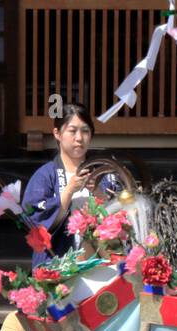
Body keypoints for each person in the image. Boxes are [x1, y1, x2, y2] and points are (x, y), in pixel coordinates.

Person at [20, 102, 118, 267]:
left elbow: (124, 217)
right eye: (72, 131)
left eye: (85, 131)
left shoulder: (104, 174)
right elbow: (34, 221)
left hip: (102, 263)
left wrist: (99, 194)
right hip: (59, 265)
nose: (79, 138)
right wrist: (68, 191)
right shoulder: (45, 176)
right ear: (57, 133)